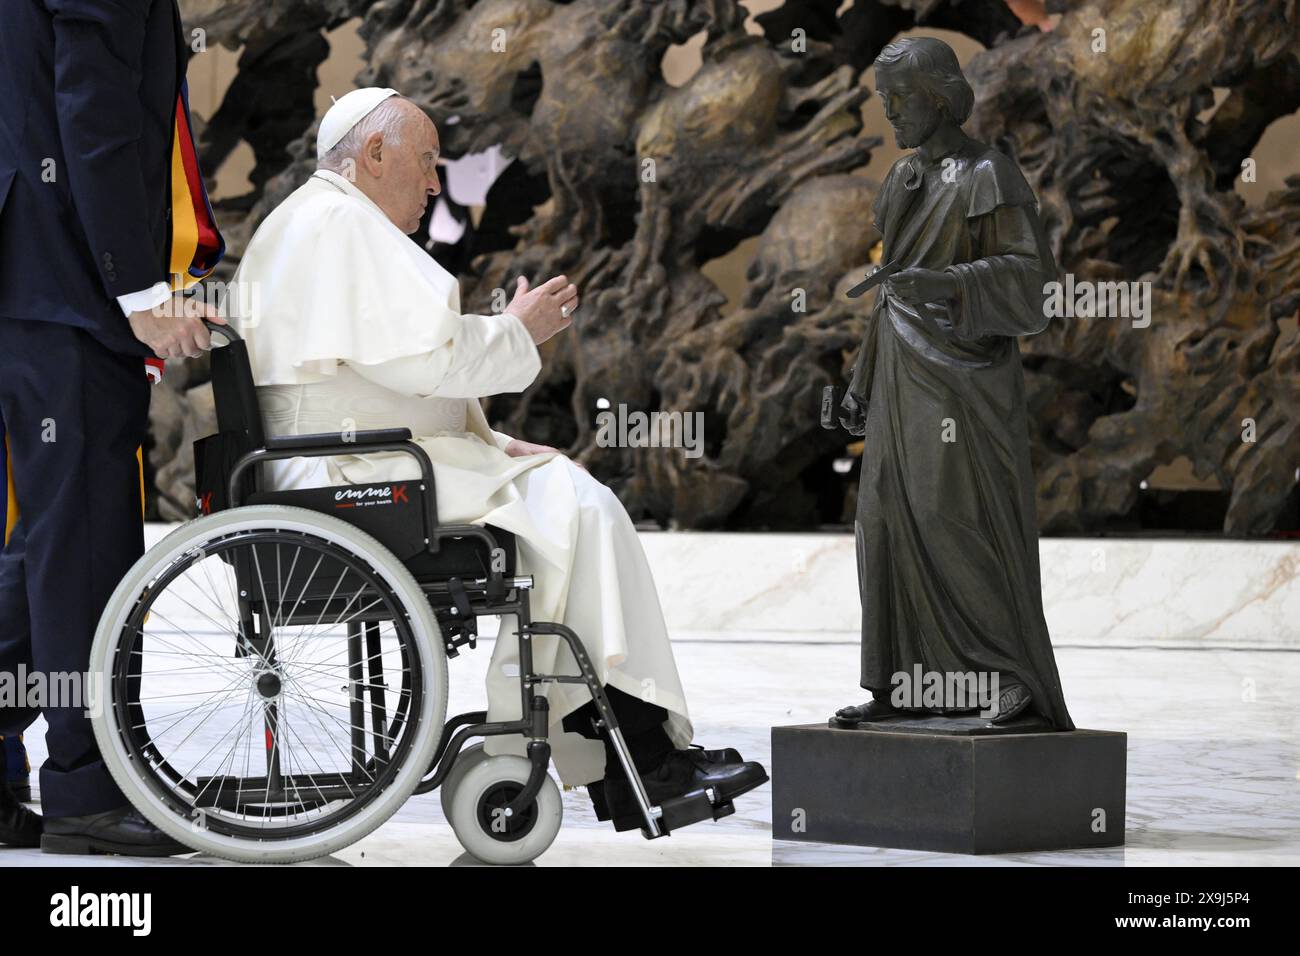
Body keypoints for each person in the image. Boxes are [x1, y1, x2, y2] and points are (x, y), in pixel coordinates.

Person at [229, 88, 766, 830]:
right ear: (375, 152)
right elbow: (426, 361)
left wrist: (496, 441)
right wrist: (518, 330)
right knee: (578, 509)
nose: (432, 184)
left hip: (350, 456)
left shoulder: (315, 221)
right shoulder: (336, 224)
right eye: (424, 163)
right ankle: (635, 756)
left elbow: (381, 371)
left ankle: (627, 753)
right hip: (355, 473)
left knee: (568, 498)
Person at [0, 0, 225, 854]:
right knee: (82, 543)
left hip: (29, 275)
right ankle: (86, 792)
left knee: (38, 543)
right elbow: (91, 106)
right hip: (64, 278)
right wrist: (138, 290)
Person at [832, 37, 1073, 730]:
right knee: (881, 524)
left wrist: (949, 285)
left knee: (947, 518)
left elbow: (1031, 286)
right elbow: (887, 296)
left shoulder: (988, 175)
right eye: (884, 102)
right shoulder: (903, 181)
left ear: (939, 96)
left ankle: (1008, 676)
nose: (891, 115)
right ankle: (902, 685)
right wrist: (860, 380)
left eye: (900, 100)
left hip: (961, 382)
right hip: (897, 377)